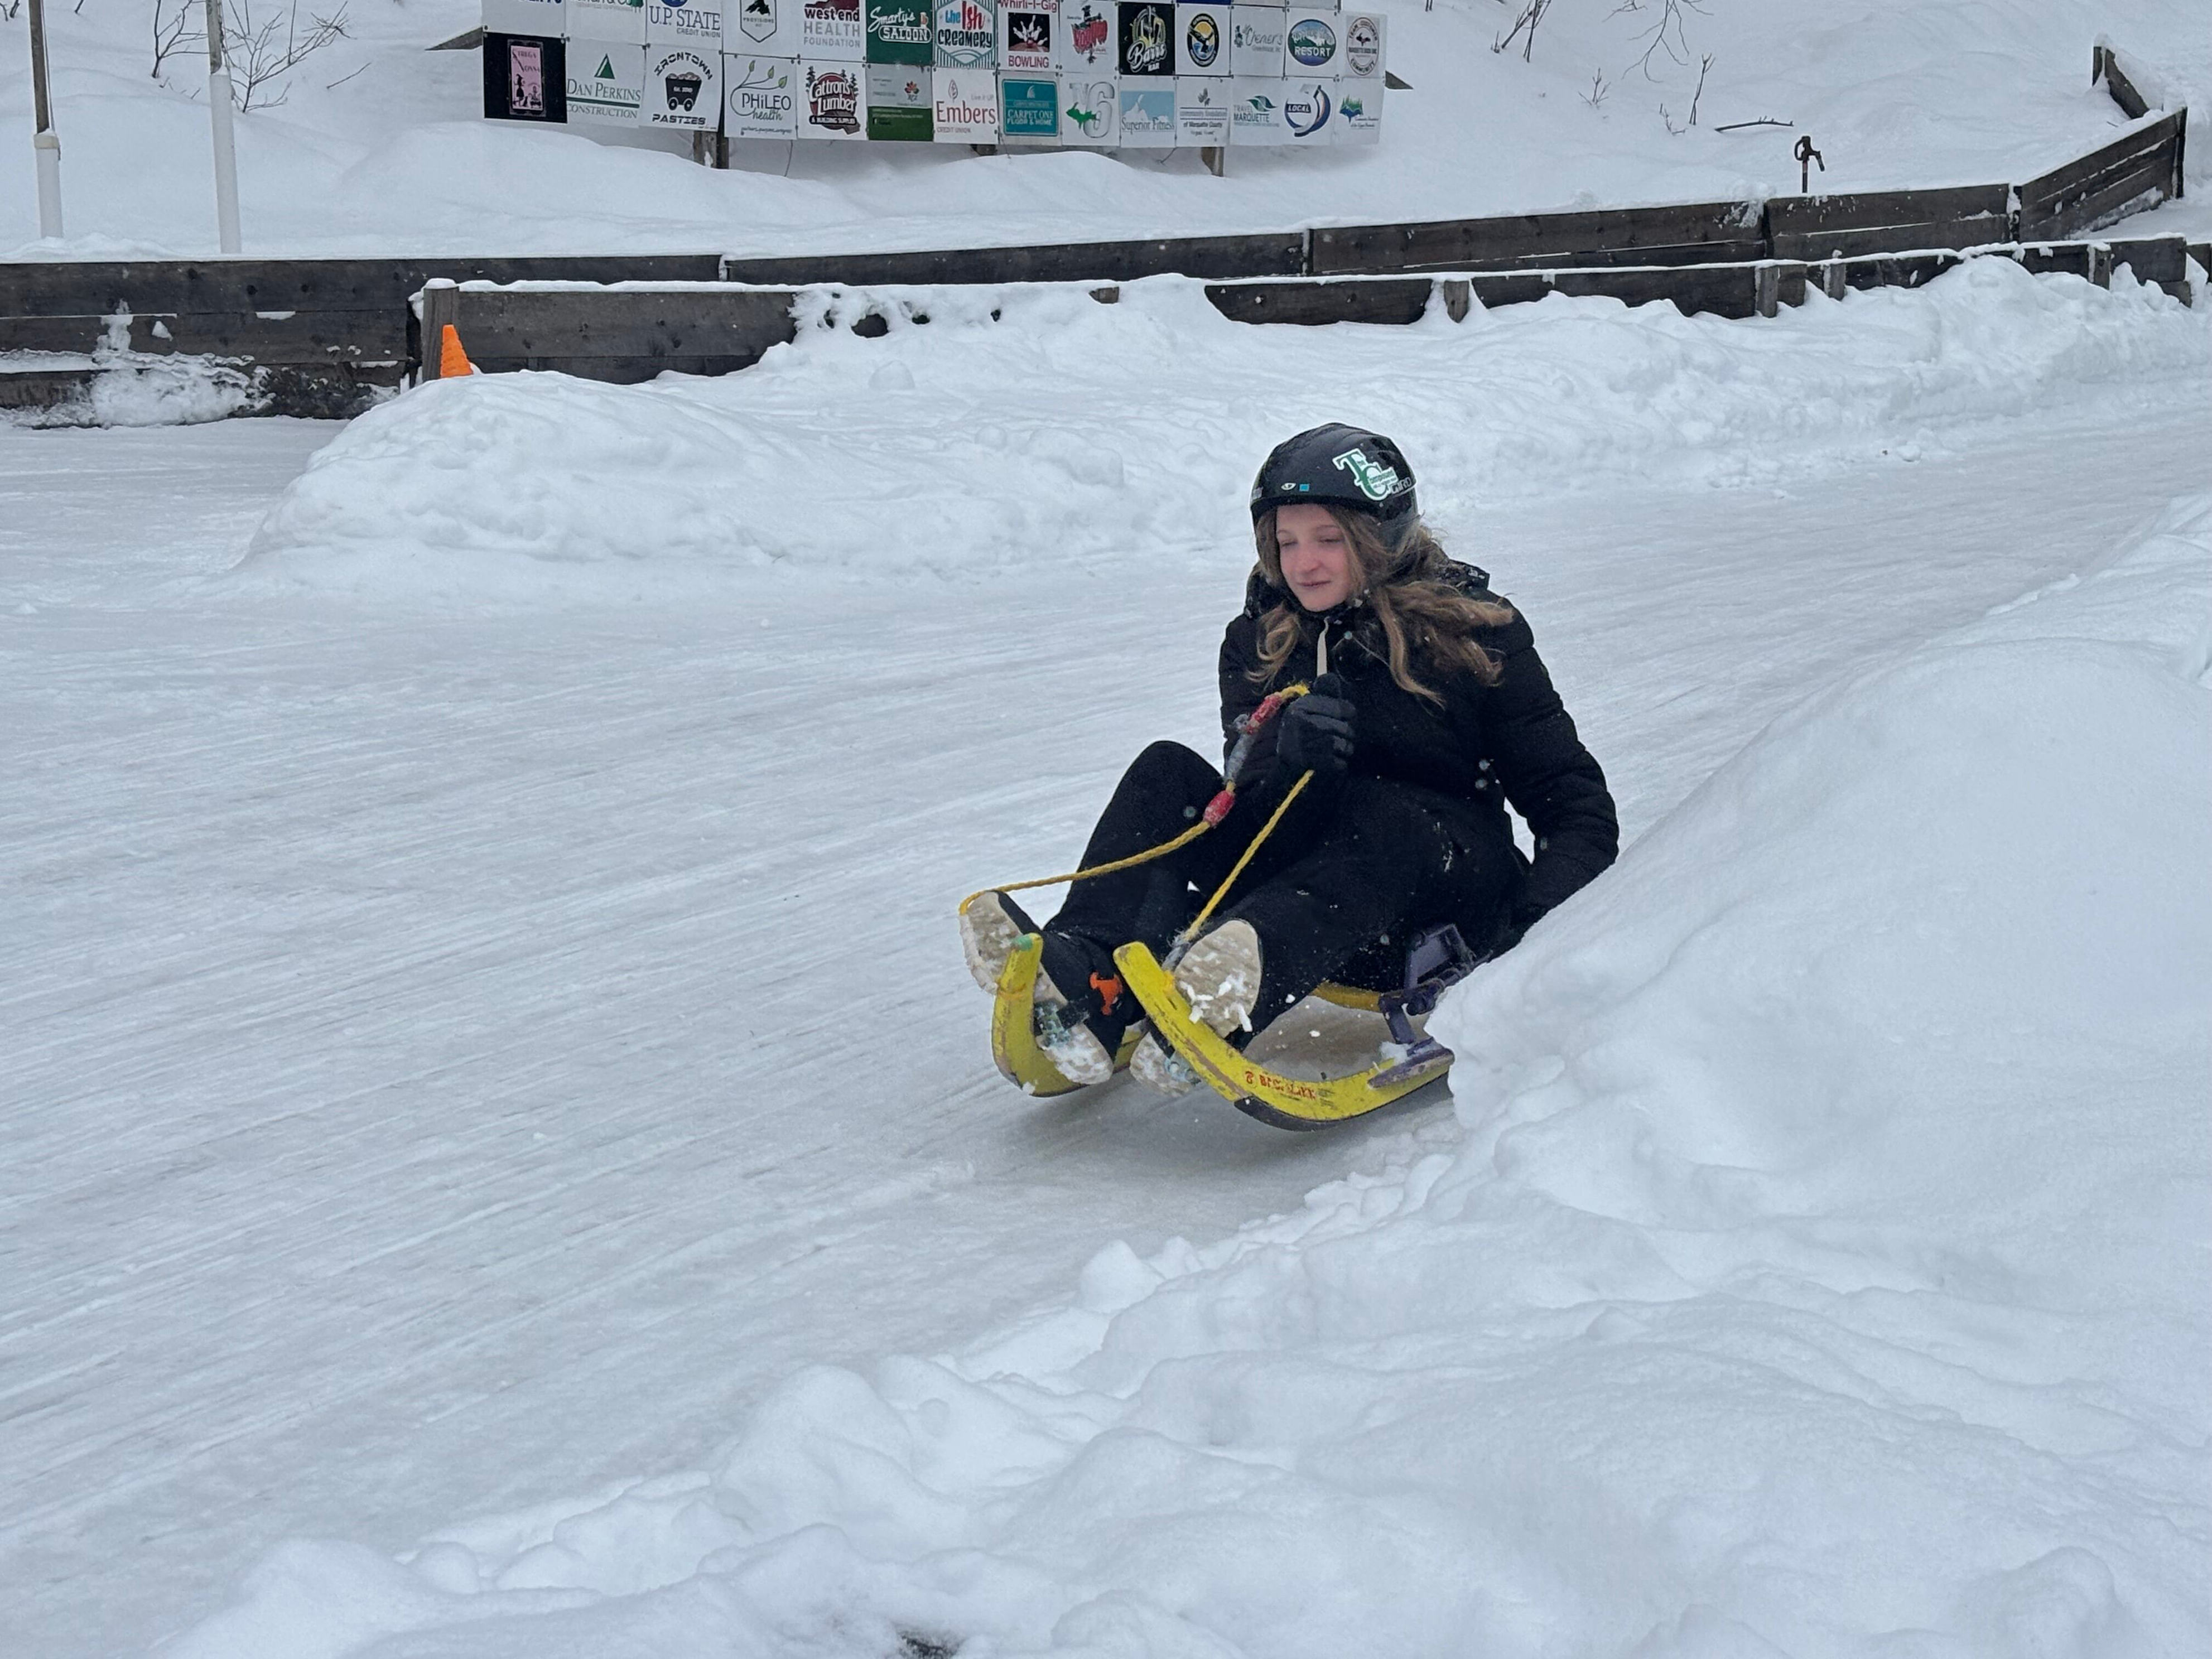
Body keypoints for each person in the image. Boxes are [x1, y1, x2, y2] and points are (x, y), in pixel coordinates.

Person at [962, 423, 1618, 1094]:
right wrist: (1278, 758)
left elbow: (1578, 813)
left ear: (1380, 538)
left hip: (1435, 906)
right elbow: (1245, 815)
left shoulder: (1474, 635)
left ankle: (1220, 996)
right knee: (1166, 773)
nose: (1304, 563)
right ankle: (1086, 980)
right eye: (1287, 541)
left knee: (1385, 810)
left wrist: (1521, 942)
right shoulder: (1260, 640)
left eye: (1329, 539)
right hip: (1300, 893)